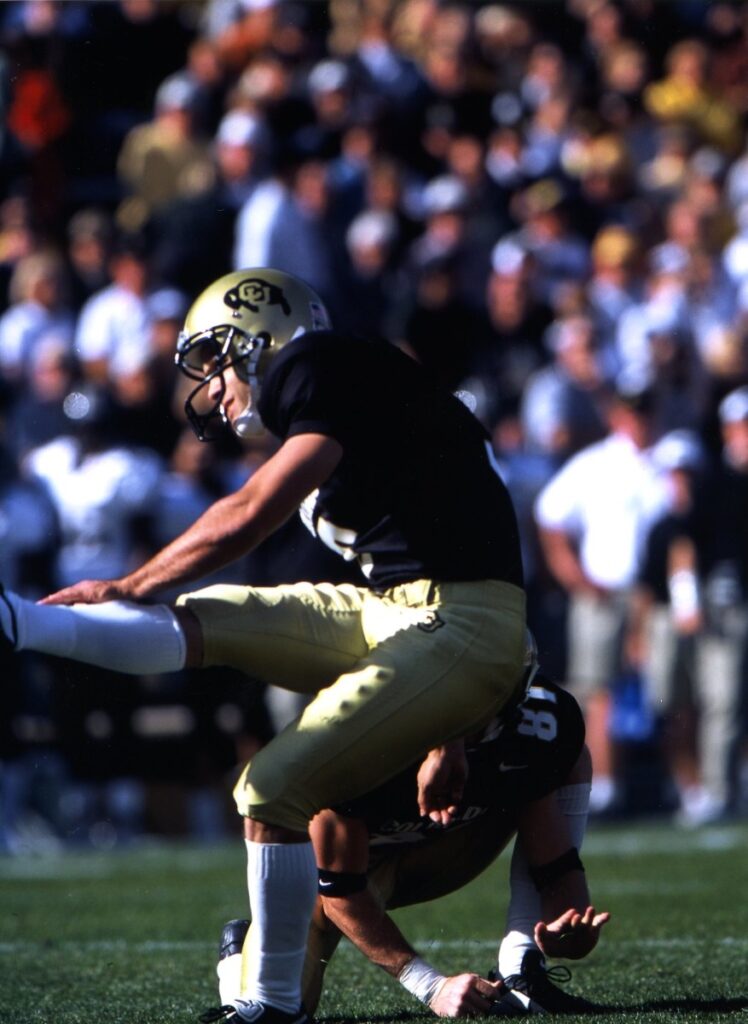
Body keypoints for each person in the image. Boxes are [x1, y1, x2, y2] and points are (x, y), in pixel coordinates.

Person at [0, 267, 527, 1024]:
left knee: (271, 784)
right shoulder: (353, 381)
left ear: (261, 338)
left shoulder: (315, 364)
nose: (212, 388)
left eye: (216, 359)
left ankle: (270, 1008)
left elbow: (250, 512)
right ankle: (21, 621)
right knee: (217, 615)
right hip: (409, 608)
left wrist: (135, 579)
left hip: (460, 619)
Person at [207, 666, 609, 1019]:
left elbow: (556, 870)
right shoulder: (357, 738)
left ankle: (521, 968)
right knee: (279, 1007)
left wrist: (570, 935)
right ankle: (242, 953)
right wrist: (432, 986)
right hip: (336, 883)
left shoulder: (532, 724)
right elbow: (341, 890)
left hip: (445, 846)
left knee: (567, 759)